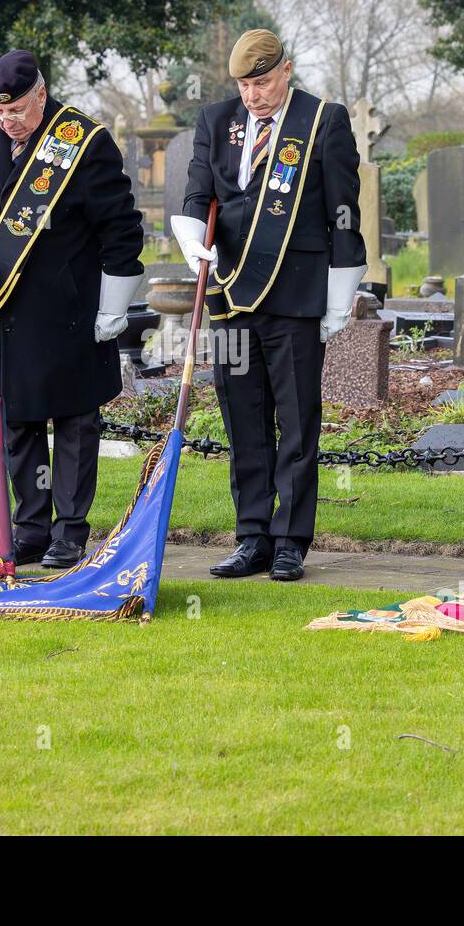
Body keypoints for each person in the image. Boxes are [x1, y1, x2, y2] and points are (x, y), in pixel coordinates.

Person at [0, 50, 144, 568]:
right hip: (3, 305)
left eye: (17, 111)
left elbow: (121, 231)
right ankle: (31, 527)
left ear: (42, 95)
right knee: (18, 422)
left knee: (75, 421)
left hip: (70, 309)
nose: (7, 123)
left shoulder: (83, 143)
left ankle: (70, 531)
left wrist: (113, 308)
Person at [175, 29, 366, 582]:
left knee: (297, 420)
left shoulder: (322, 120)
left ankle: (290, 541)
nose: (252, 95)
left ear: (286, 70)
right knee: (243, 418)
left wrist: (339, 295)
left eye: (261, 82)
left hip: (295, 295)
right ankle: (252, 535)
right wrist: (191, 240)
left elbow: (344, 214)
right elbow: (197, 194)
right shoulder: (216, 121)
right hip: (230, 293)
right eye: (243, 84)